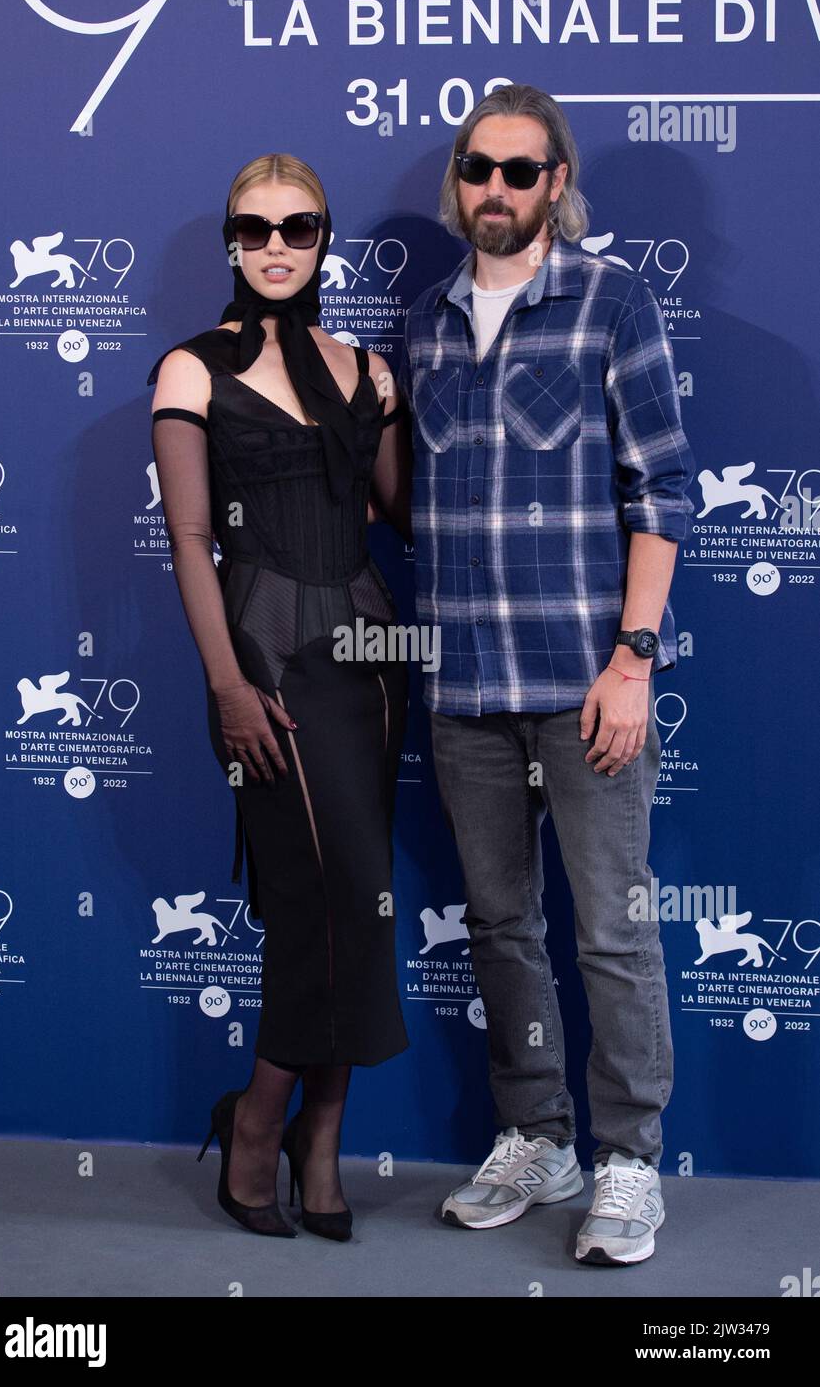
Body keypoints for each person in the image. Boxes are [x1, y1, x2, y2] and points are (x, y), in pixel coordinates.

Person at [399, 84, 695, 1265]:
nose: (498, 192)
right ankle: (539, 1133)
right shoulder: (424, 319)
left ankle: (628, 1159)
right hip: (465, 682)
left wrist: (632, 658)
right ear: (457, 181)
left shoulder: (613, 302)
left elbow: (661, 489)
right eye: (479, 169)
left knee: (613, 931)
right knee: (501, 925)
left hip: (587, 684)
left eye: (522, 171)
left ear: (556, 183)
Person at [147, 154, 413, 1241]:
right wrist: (225, 683)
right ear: (231, 241)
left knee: (361, 892)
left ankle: (324, 1136)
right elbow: (191, 537)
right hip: (260, 654)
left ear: (321, 239)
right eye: (252, 229)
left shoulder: (370, 371)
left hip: (368, 656)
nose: (274, 247)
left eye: (296, 228)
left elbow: (401, 511)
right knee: (314, 899)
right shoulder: (190, 369)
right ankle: (259, 1121)